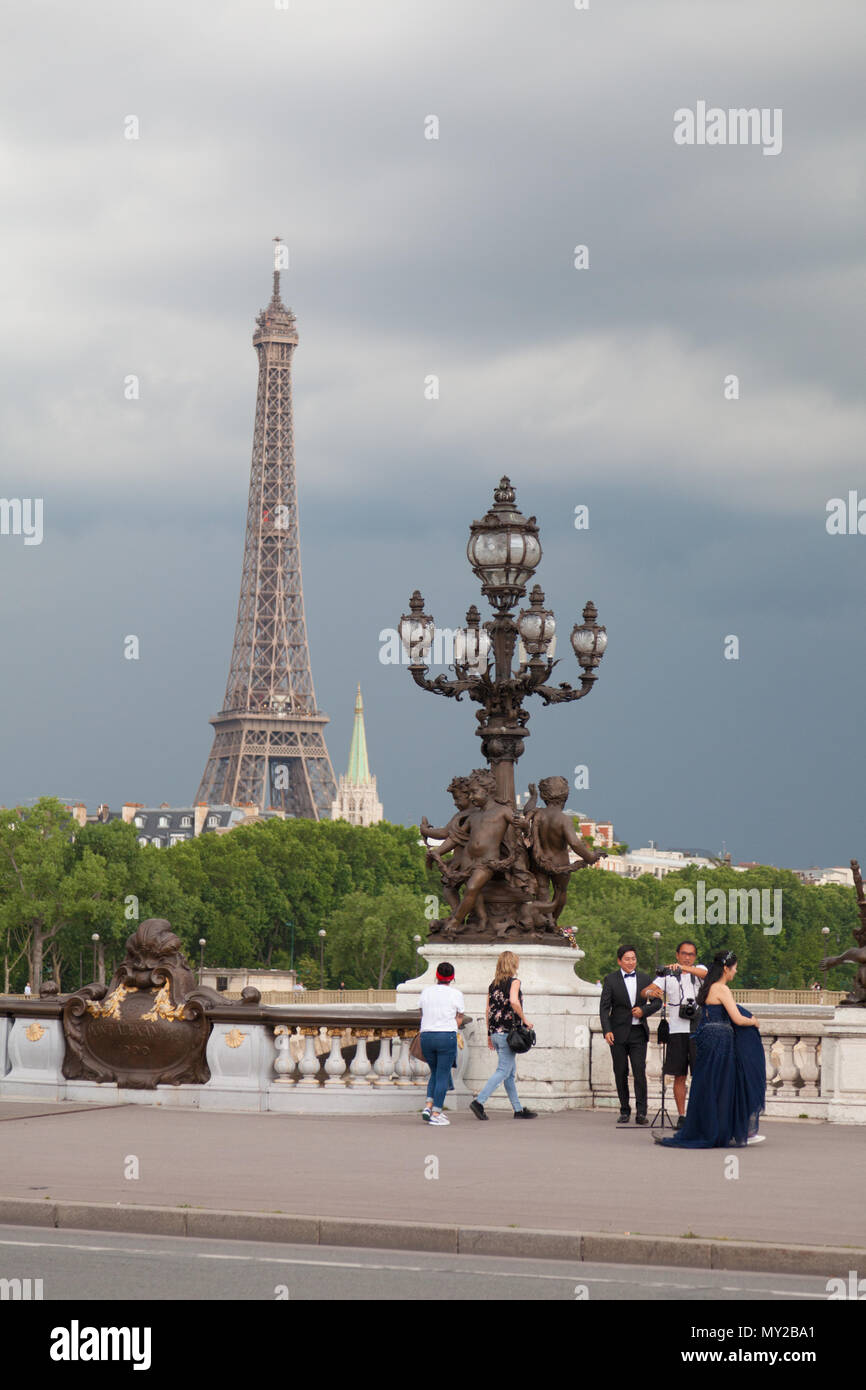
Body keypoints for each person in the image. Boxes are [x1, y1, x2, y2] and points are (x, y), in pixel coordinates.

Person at [656, 950, 766, 1148]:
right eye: (734, 968)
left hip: (707, 1038)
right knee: (724, 1085)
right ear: (726, 968)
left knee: (710, 1085)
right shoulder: (722, 989)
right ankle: (731, 1130)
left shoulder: (708, 987)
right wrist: (754, 1022)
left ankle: (718, 1128)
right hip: (720, 1040)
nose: (736, 971)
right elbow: (737, 1019)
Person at [642, 941, 707, 1129]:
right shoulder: (668, 975)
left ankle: (699, 1113)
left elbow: (709, 975)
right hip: (677, 1030)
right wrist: (653, 992)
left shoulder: (698, 970)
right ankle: (682, 1115)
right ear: (677, 954)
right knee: (679, 1075)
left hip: (698, 1029)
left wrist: (686, 968)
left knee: (700, 1075)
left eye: (691, 954)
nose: (687, 957)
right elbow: (644, 991)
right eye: (684, 954)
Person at [470, 951, 537, 1119]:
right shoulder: (514, 982)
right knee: (502, 1071)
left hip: (495, 1032)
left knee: (509, 1073)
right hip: (508, 1033)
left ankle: (518, 1109)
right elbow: (514, 1001)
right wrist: (525, 1020)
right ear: (512, 964)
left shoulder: (493, 985)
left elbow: (488, 1010)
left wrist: (488, 1034)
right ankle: (479, 1101)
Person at [600, 946, 661, 1125]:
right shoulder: (610, 980)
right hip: (617, 1033)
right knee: (620, 1072)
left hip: (638, 1033)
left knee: (639, 1071)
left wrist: (644, 1010)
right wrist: (607, 1030)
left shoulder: (645, 978)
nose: (630, 962)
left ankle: (641, 1112)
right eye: (627, 959)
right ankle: (624, 1110)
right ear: (619, 961)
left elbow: (657, 1002)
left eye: (633, 958)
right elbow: (604, 1008)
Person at [418, 961, 464, 1126]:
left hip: (426, 1037)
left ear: (436, 975)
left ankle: (428, 1106)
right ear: (452, 977)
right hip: (446, 1036)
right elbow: (459, 1016)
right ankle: (436, 1112)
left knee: (435, 1072)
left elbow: (421, 1013)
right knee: (443, 1074)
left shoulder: (426, 992)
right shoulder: (456, 994)